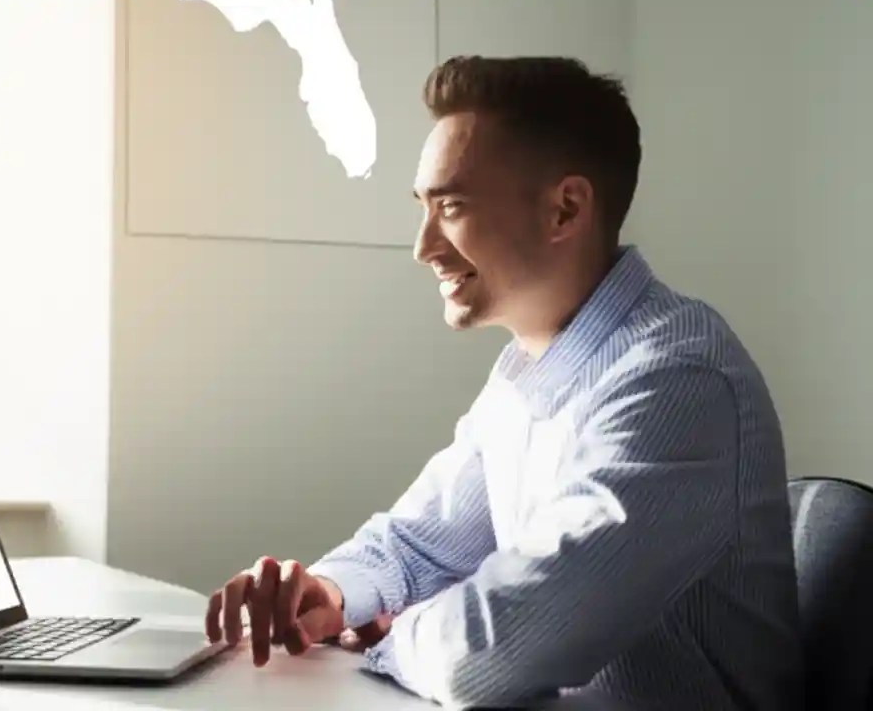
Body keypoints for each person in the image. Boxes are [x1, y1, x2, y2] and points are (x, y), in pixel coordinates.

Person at [204, 56, 804, 709]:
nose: (423, 246)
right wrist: (331, 595)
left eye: (451, 207)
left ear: (565, 210)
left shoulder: (677, 384)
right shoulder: (529, 368)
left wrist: (390, 632)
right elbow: (417, 545)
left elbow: (491, 653)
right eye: (423, 209)